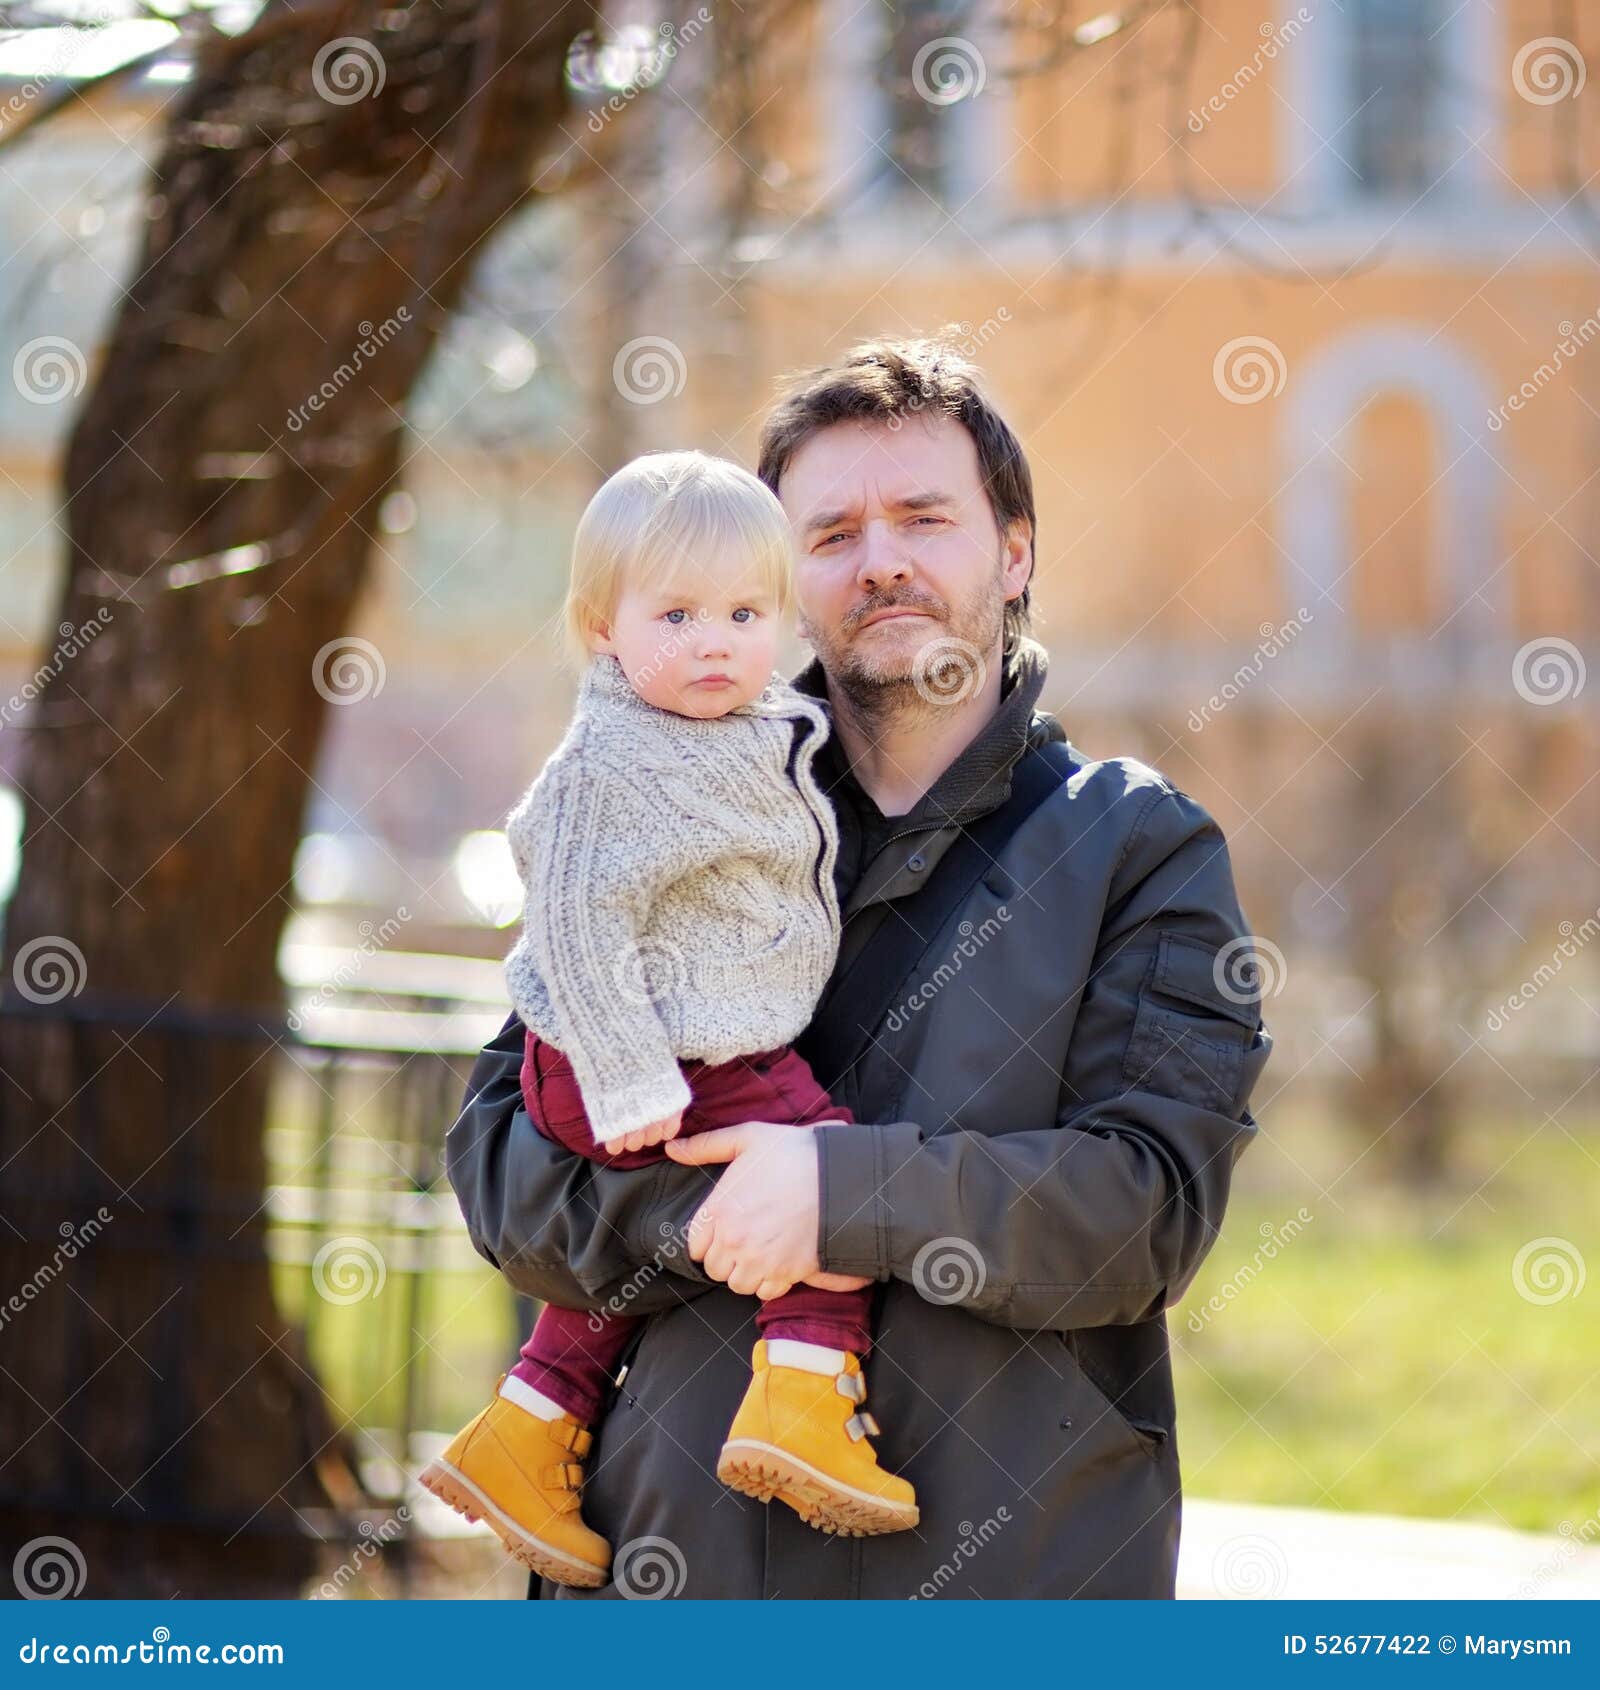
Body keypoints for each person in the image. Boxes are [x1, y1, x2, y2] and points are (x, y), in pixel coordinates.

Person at [446, 332, 1273, 1599]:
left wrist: (845, 1191)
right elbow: (505, 1171)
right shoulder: (643, 793)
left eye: (924, 519)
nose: (879, 558)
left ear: (1014, 552)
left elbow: (1143, 1213)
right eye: (830, 534)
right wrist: (725, 1213)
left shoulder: (1133, 846)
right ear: (783, 581)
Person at [420, 452, 917, 1590]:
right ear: (603, 628)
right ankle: (802, 1401)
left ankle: (527, 1430)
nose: (715, 644)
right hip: (643, 1053)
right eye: (678, 616)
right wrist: (631, 1076)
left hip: (679, 1043)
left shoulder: (744, 725)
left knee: (649, 1251)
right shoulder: (615, 762)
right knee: (825, 1179)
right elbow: (575, 924)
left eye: (745, 615)